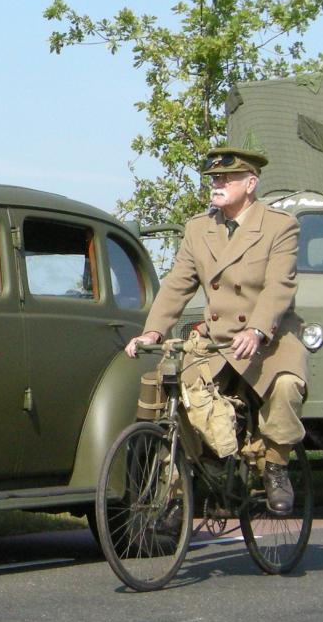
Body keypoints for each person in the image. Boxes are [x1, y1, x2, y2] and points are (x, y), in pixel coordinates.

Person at [123, 147, 308, 514]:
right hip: (217, 341)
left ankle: (275, 464)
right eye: (213, 179)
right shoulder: (198, 229)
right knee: (172, 385)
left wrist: (256, 330)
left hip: (268, 339)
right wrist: (153, 332)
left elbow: (278, 287)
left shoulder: (279, 225)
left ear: (250, 184)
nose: (217, 185)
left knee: (287, 387)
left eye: (226, 179)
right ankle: (200, 470)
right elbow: (178, 283)